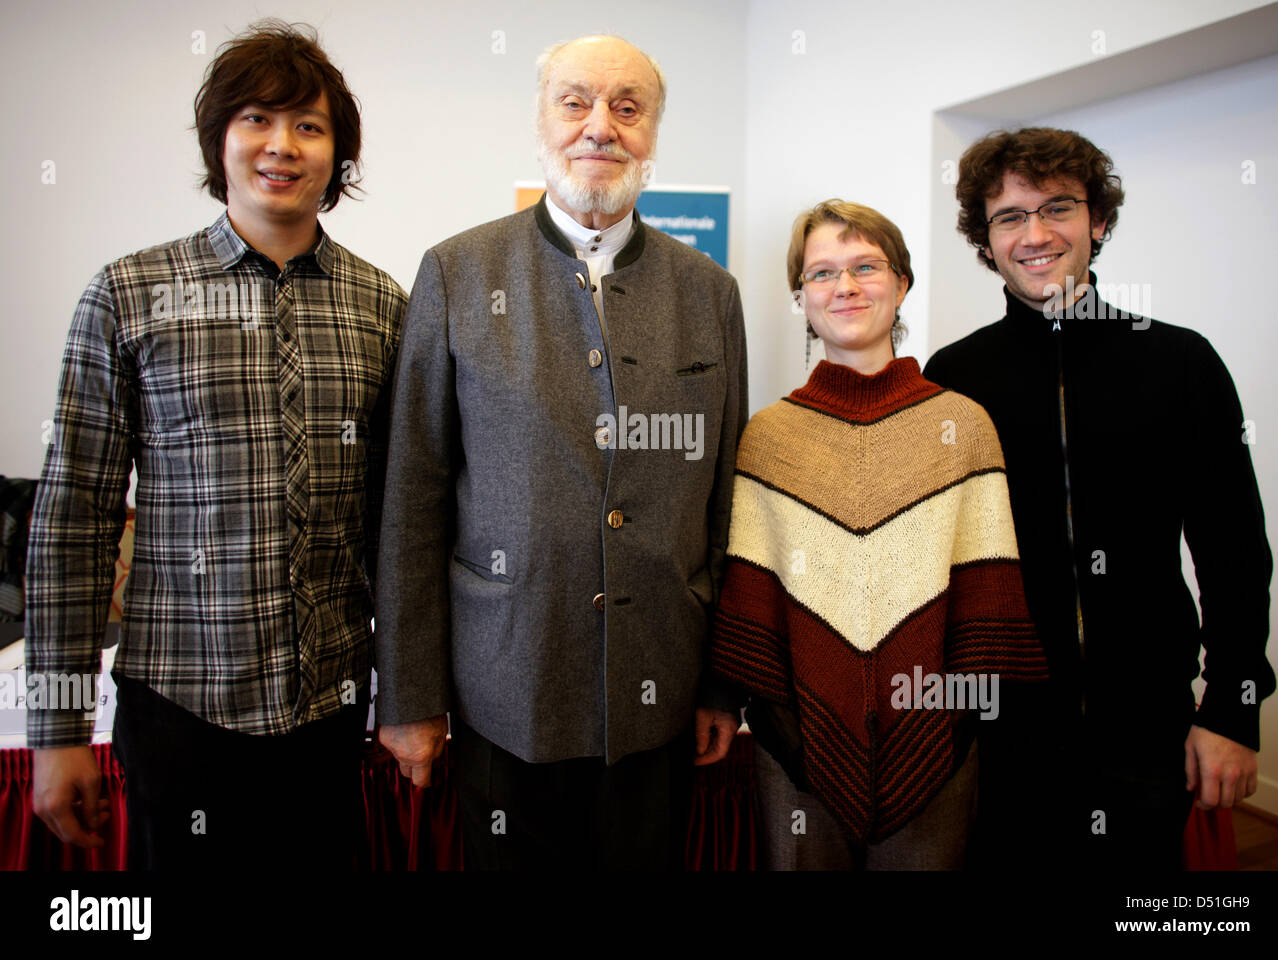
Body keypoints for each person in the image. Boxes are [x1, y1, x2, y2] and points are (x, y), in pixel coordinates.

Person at [26, 20, 407, 869]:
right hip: (180, 712)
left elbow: (401, 524)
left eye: (309, 125)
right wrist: (56, 729)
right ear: (219, 140)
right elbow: (73, 522)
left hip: (329, 714)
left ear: (338, 154)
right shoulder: (128, 294)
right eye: (256, 119)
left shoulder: (384, 306)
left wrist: (411, 693)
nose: (283, 145)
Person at [374, 34, 748, 870]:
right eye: (575, 102)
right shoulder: (457, 272)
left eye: (628, 107)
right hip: (506, 687)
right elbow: (412, 501)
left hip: (660, 690)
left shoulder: (709, 292)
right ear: (541, 121)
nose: (600, 126)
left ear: (652, 132)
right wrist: (409, 694)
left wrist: (721, 684)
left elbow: (726, 504)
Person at [923, 127, 1275, 870]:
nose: (1035, 234)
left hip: (1147, 721)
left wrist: (1233, 708)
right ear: (986, 241)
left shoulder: (1181, 361)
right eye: (1010, 217)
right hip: (1003, 725)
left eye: (1058, 207)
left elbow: (1234, 551)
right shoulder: (954, 377)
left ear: (1100, 220)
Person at [707, 200, 1047, 869]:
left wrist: (949, 724)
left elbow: (986, 598)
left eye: (866, 266)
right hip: (796, 741)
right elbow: (752, 598)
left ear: (902, 283)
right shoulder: (769, 437)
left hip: (936, 741)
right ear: (802, 297)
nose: (846, 286)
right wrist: (783, 726)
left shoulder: (963, 426)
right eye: (823, 272)